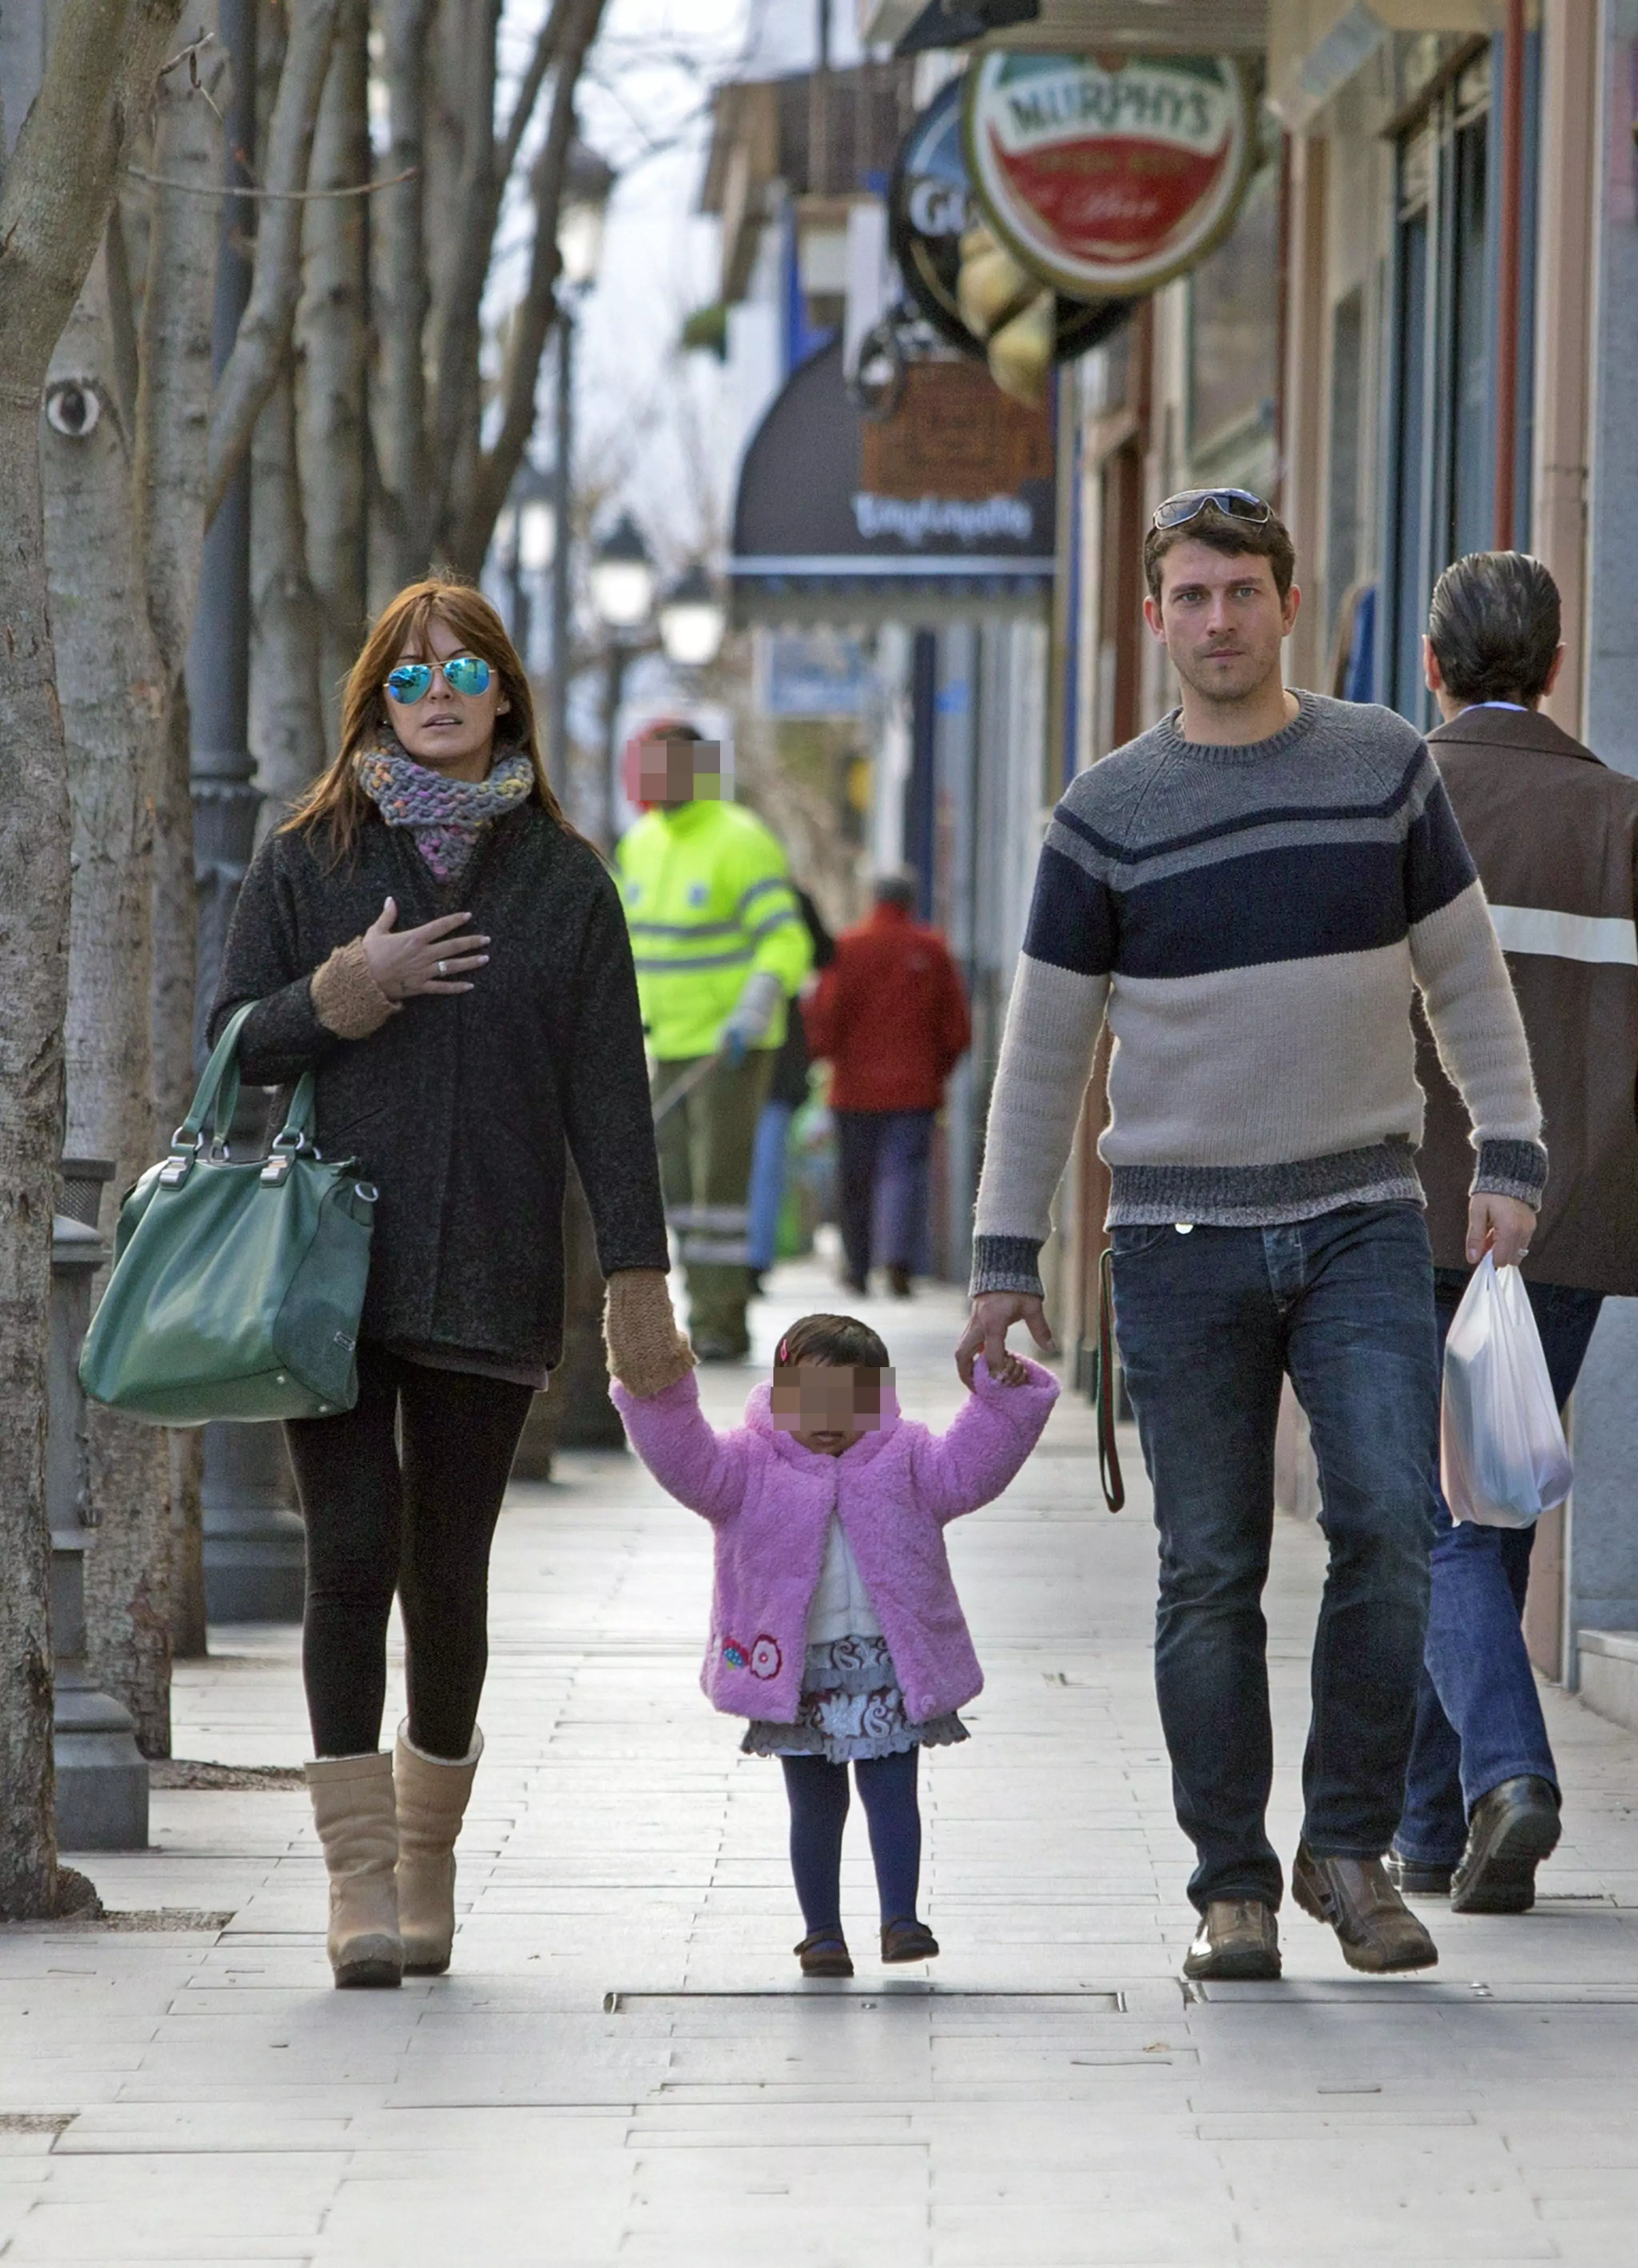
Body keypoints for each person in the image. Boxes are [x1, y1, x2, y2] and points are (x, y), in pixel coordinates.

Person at [957, 489, 1545, 1981]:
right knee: (1205, 1566)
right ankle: (1227, 1882)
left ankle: (1343, 1851)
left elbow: (1461, 975)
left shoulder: (1379, 766)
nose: (1215, 619)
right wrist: (1000, 1257)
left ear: (1288, 602)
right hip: (1172, 1235)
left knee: (1389, 1534)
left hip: (1358, 1209)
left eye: (1239, 591)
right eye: (1189, 595)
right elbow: (1039, 1051)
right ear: (1152, 617)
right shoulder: (1102, 812)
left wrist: (1506, 1148)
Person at [210, 578, 686, 1990]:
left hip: (491, 1264)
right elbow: (234, 1043)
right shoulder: (305, 854)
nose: (435, 697)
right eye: (410, 676)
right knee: (349, 1550)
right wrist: (337, 993)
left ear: (500, 696)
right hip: (326, 1273)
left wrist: (639, 1280)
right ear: (378, 693)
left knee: (450, 1571)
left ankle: (428, 1863)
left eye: (460, 673)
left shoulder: (563, 879)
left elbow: (612, 1095)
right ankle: (356, 1883)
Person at [1388, 551, 1638, 1913]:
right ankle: (1432, 1834)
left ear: (1431, 665)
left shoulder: (1397, 795)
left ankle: (1501, 1774)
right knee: (1478, 1511)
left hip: (1406, 1204)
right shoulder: (1619, 818)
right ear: (1550, 664)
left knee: (1438, 1515)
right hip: (1570, 1219)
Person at [612, 1311, 1058, 1975]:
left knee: (892, 1791)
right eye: (809, 1399)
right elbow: (686, 1461)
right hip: (796, 1672)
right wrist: (657, 1391)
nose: (826, 1418)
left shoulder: (906, 1457)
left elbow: (970, 1469)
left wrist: (1004, 1396)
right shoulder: (746, 1465)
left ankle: (901, 1919)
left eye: (848, 1400)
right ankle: (821, 1932)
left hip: (890, 1665)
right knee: (815, 1805)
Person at [616, 722, 812, 1360]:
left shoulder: (740, 839)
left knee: (717, 1192)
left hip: (728, 1046)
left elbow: (786, 939)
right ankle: (700, 1311)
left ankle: (721, 1321)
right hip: (665, 1043)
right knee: (677, 1189)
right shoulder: (641, 844)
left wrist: (753, 1009)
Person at [804, 870, 971, 1297]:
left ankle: (857, 1268)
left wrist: (826, 1055)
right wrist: (938, 1070)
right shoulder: (931, 949)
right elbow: (956, 1029)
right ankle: (897, 1261)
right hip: (915, 1089)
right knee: (903, 1174)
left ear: (871, 899)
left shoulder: (847, 948)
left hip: (853, 1090)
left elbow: (824, 1018)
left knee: (855, 1177)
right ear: (911, 901)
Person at [747, 888, 835, 1293]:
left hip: (702, 1047)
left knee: (726, 1170)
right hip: (776, 1055)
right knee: (765, 1165)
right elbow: (825, 954)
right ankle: (753, 1262)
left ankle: (738, 1268)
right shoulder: (788, 895)